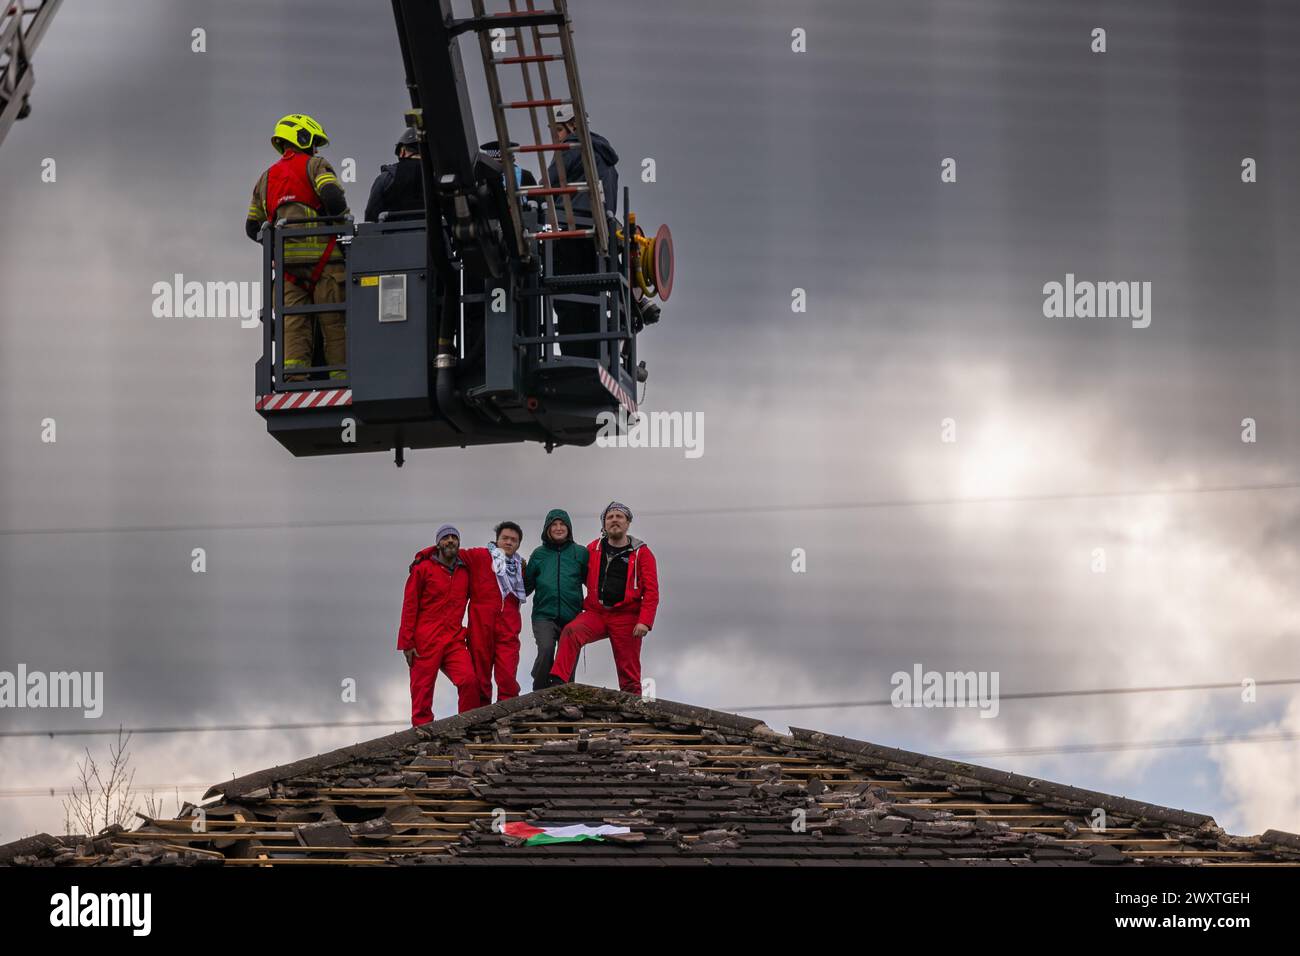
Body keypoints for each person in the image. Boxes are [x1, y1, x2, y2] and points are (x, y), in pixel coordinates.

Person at [246, 113, 349, 381]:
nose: (315, 148)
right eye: (313, 142)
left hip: (287, 270)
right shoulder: (316, 165)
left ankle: (294, 379)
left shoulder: (265, 178)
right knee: (334, 323)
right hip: (325, 264)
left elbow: (251, 227)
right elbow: (333, 198)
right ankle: (341, 377)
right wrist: (342, 220)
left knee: (292, 325)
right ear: (302, 138)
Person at [548, 501, 658, 694]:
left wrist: (645, 622)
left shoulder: (642, 553)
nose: (614, 520)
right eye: (610, 517)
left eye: (619, 517)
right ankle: (557, 684)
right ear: (604, 523)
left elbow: (651, 591)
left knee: (628, 669)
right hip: (596, 612)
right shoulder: (592, 549)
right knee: (572, 631)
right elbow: (575, 573)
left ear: (628, 522)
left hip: (627, 617)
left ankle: (633, 712)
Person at [545, 105, 620, 360]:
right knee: (591, 298)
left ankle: (574, 358)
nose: (556, 137)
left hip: (571, 232)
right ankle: (595, 356)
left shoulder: (574, 147)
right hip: (599, 237)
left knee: (566, 300)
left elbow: (548, 183)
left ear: (573, 126)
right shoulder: (605, 156)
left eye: (557, 130)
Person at [398, 524, 480, 724]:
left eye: (454, 537)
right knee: (422, 691)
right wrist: (407, 643)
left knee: (469, 680)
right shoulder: (422, 569)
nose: (450, 540)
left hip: (454, 638)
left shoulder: (465, 571)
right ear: (438, 543)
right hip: (425, 639)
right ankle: (423, 734)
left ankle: (467, 725)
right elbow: (410, 605)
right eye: (446, 538)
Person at [459, 522, 527, 707]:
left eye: (514, 540)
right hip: (481, 626)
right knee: (480, 678)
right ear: (497, 540)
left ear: (518, 544)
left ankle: (506, 716)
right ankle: (481, 719)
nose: (508, 542)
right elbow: (452, 552)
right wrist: (423, 556)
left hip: (509, 628)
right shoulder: (480, 556)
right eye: (505, 538)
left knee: (507, 677)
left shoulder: (520, 568)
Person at [524, 509, 588, 691]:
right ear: (547, 529)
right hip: (544, 615)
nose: (558, 528)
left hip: (572, 615)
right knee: (546, 649)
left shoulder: (580, 553)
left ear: (569, 528)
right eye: (554, 525)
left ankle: (565, 694)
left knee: (568, 656)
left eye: (562, 524)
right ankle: (539, 692)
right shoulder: (539, 554)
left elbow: (591, 582)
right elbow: (525, 587)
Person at [365, 127, 425, 222]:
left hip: (394, 235)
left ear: (402, 151)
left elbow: (371, 216)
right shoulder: (439, 176)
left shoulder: (386, 178)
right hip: (434, 236)